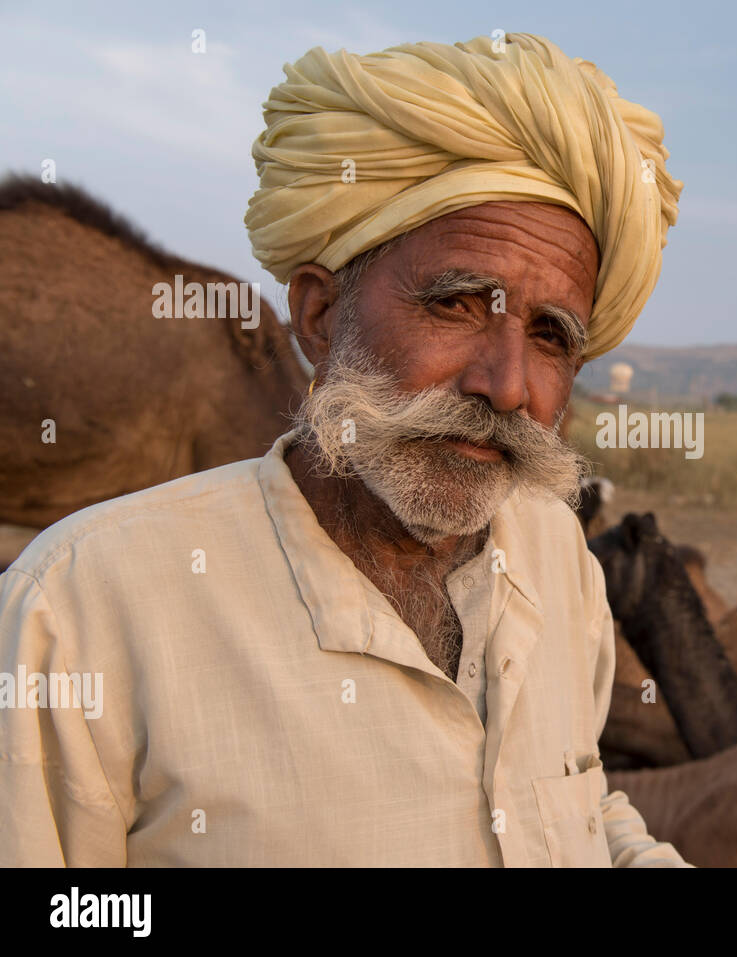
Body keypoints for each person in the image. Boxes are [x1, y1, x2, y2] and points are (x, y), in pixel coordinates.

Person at [0, 33, 687, 866]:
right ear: (319, 316)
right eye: (457, 305)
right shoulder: (83, 607)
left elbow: (582, 802)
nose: (508, 387)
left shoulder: (559, 561)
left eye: (550, 335)